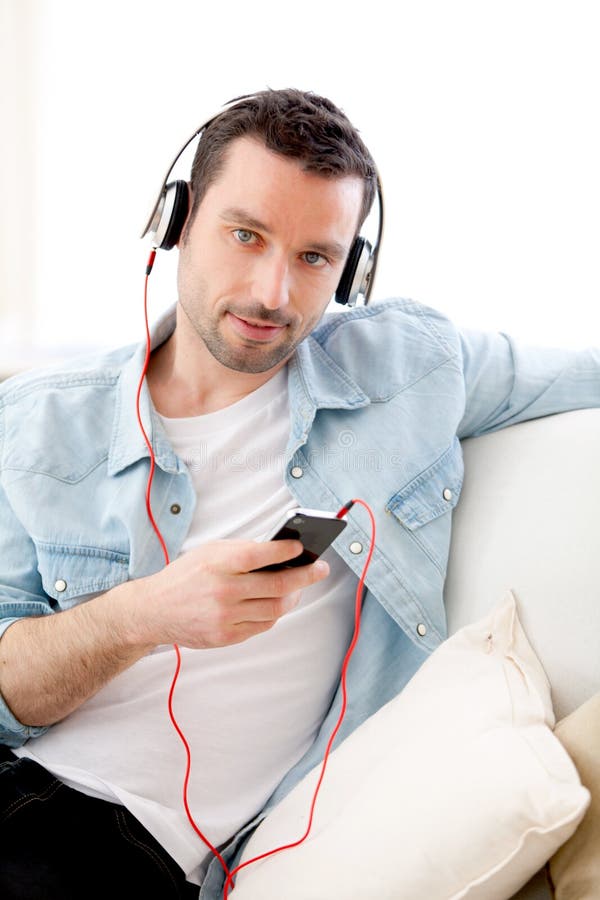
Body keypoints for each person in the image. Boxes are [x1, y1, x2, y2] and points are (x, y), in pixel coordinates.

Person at [0, 87, 598, 899]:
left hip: (113, 852)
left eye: (315, 257)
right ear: (176, 224)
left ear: (352, 267)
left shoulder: (409, 366)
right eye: (245, 235)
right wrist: (144, 615)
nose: (273, 294)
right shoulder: (37, 424)